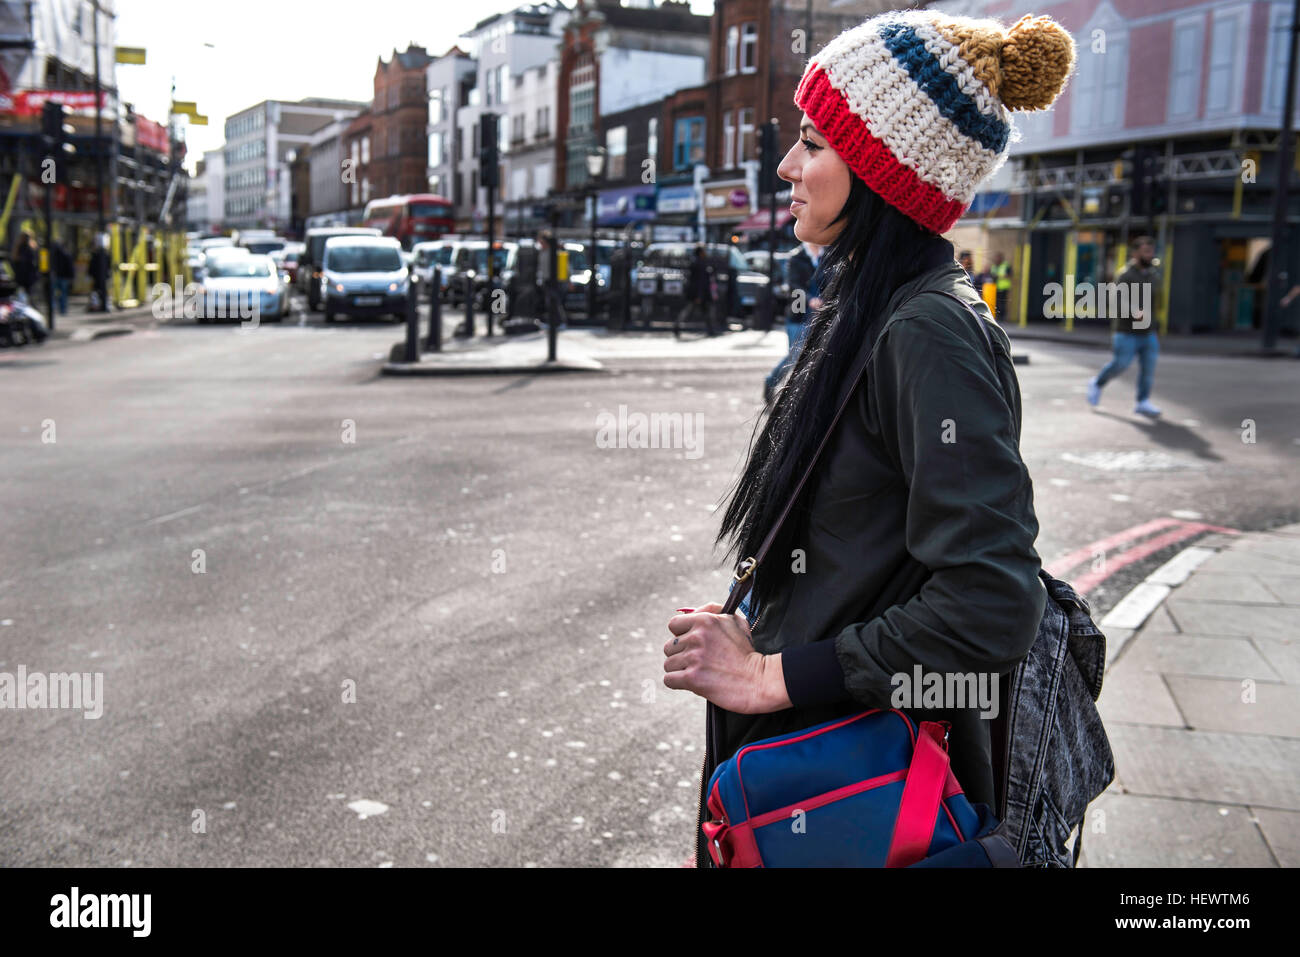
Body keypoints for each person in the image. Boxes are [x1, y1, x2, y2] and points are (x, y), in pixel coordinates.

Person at [661, 8, 1074, 868]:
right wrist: (768, 617)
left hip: (853, 787)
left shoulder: (928, 331)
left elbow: (994, 598)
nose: (787, 166)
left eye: (812, 143)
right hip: (810, 767)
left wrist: (774, 674)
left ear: (881, 170)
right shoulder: (874, 310)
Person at [1085, 235, 1163, 417]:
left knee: (1148, 370)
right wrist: (1133, 310)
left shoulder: (1153, 274)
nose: (1150, 255)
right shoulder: (1125, 274)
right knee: (1120, 364)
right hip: (1126, 332)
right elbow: (1116, 299)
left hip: (1148, 331)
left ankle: (1142, 401)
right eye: (1146, 251)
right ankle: (1097, 383)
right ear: (1135, 253)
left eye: (1151, 251)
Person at [763, 241, 823, 403]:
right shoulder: (796, 258)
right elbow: (794, 286)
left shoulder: (827, 254)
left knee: (815, 356)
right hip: (798, 314)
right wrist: (810, 300)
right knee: (795, 356)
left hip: (819, 315)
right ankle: (771, 381)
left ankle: (805, 396)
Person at [674, 244, 717, 338]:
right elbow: (699, 281)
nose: (705, 253)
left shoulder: (699, 262)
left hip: (699, 292)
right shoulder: (698, 263)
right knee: (690, 309)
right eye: (704, 251)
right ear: (700, 253)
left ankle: (710, 329)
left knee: (704, 311)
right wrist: (699, 295)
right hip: (698, 293)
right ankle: (677, 326)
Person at [535, 230, 568, 331]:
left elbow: (565, 267)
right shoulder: (542, 252)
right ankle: (553, 323)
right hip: (546, 279)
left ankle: (559, 323)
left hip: (555, 280)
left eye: (541, 241)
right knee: (549, 302)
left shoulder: (555, 252)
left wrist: (567, 280)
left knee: (554, 302)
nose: (540, 243)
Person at [12, 232, 37, 305]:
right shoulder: (20, 247)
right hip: (24, 275)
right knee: (24, 294)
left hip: (26, 275)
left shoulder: (30, 247)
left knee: (27, 293)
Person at [51, 239, 74, 315]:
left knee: (54, 293)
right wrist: (71, 276)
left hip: (56, 276)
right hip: (64, 277)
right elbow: (70, 267)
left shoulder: (53, 255)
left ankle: (53, 308)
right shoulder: (66, 254)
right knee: (63, 294)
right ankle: (63, 309)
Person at [990, 250, 1012, 319]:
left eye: (998, 258)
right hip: (994, 287)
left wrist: (999, 276)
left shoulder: (1006, 265)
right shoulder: (994, 266)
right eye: (996, 258)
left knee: (1003, 303)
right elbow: (992, 275)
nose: (997, 259)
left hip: (1003, 287)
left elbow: (1009, 275)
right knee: (996, 302)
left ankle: (1002, 316)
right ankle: (997, 316)